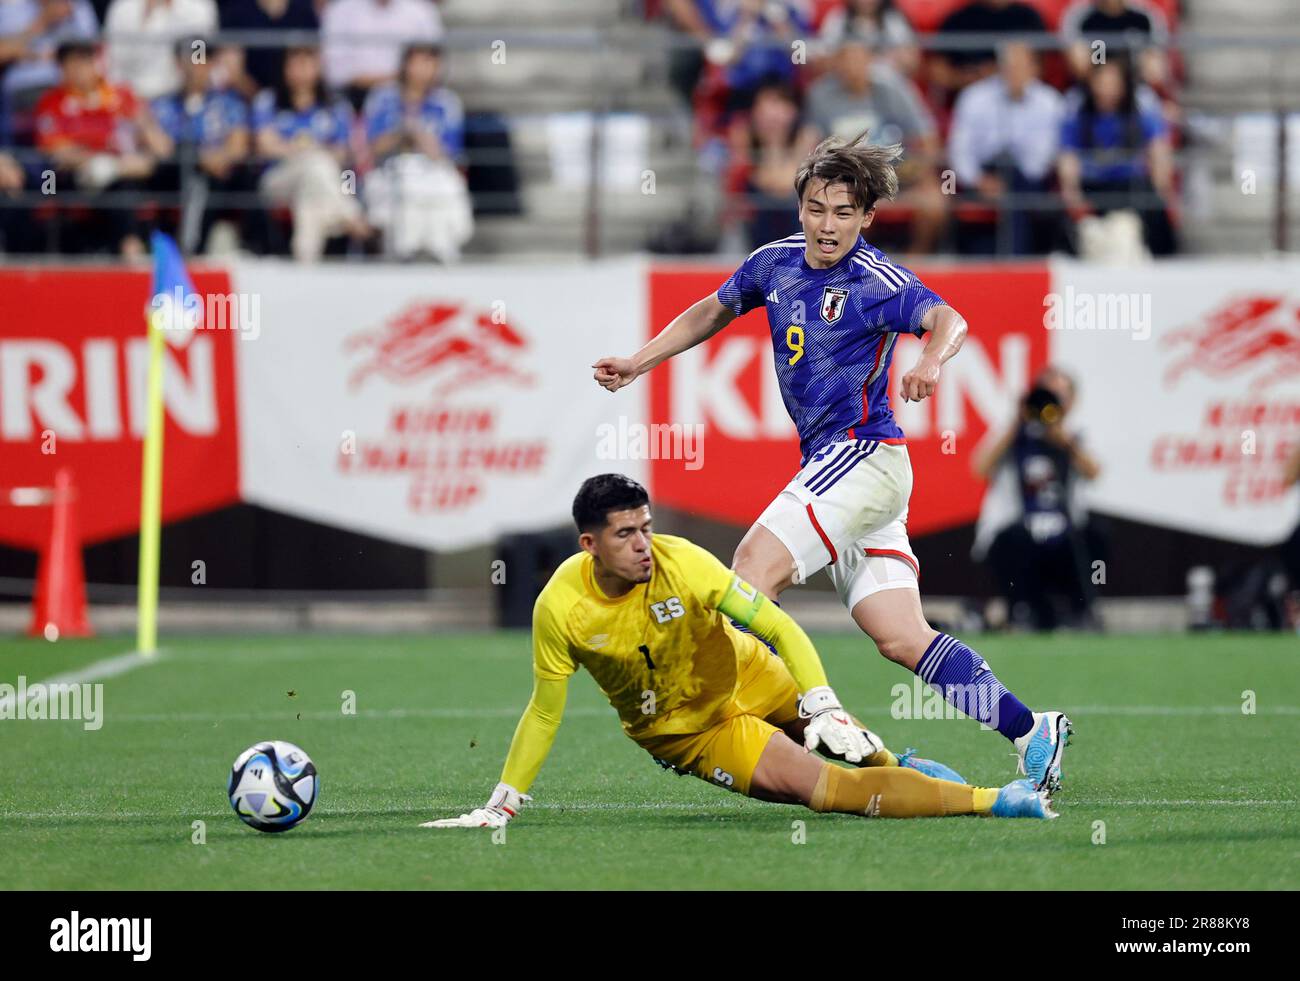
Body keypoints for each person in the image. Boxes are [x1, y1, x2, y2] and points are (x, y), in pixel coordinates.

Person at [593, 133, 1073, 793]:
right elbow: (712, 309)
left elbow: (948, 318)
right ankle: (1031, 730)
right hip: (850, 473)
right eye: (817, 207)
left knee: (750, 571)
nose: (827, 224)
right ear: (800, 207)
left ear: (867, 217)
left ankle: (709, 714)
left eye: (843, 212)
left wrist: (931, 360)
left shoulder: (875, 280)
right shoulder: (774, 264)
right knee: (902, 636)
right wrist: (637, 361)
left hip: (865, 456)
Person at [427, 474, 1055, 829]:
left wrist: (822, 701)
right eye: (626, 535)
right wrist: (501, 803)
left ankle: (901, 763)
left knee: (867, 758)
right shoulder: (559, 607)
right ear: (590, 544)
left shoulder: (686, 562)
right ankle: (997, 801)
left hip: (750, 673)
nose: (645, 544)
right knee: (829, 790)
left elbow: (779, 630)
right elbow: (544, 711)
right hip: (691, 731)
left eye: (646, 527)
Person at [971, 366, 1104, 631]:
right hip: (1017, 531)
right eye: (1047, 394)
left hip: (1063, 533)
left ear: (1072, 402)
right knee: (1016, 539)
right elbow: (980, 468)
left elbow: (1094, 472)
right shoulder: (1012, 432)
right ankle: (1019, 612)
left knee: (1096, 535)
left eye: (1060, 396)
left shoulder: (1075, 434)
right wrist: (1016, 423)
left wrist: (1064, 441)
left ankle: (1080, 611)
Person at [806, 35, 944, 252]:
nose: (853, 68)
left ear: (870, 60)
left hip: (900, 175)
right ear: (836, 63)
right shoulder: (820, 95)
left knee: (934, 203)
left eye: (859, 60)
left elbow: (927, 138)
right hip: (846, 180)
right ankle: (855, 265)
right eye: (846, 61)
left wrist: (923, 172)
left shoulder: (894, 88)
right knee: (847, 206)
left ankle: (916, 261)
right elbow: (810, 143)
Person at [34, 39, 168, 255]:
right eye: (71, 63)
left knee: (127, 185)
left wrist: (144, 134)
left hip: (124, 173)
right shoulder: (52, 102)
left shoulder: (121, 96)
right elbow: (55, 151)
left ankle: (132, 250)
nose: (79, 69)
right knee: (107, 184)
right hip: (73, 177)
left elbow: (160, 146)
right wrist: (96, 161)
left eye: (85, 60)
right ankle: (129, 248)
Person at [251, 41, 368, 262]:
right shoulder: (268, 100)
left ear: (319, 66)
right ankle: (350, 215)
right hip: (277, 179)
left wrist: (303, 150)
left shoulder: (336, 105)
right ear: (284, 68)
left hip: (318, 182)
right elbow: (266, 147)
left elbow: (343, 153)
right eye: (295, 62)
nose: (302, 69)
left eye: (308, 62)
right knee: (317, 165)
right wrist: (310, 151)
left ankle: (305, 261)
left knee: (312, 190)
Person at [947, 40, 1063, 254]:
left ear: (1034, 68)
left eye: (1021, 67)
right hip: (984, 175)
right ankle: (1013, 259)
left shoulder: (1049, 102)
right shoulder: (974, 97)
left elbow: (1045, 158)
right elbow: (959, 151)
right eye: (1009, 67)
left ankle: (1014, 258)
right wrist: (979, 180)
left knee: (1018, 190)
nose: (1014, 73)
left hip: (1028, 179)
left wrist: (1010, 182)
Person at [362, 41, 472, 261]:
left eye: (431, 63)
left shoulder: (447, 103)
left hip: (432, 171)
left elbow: (447, 155)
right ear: (405, 65)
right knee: (408, 182)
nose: (425, 69)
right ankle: (407, 252)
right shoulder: (382, 98)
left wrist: (420, 136)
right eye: (419, 62)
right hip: (389, 171)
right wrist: (402, 133)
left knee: (446, 185)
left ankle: (440, 253)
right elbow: (370, 148)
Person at [1057, 54, 1175, 256]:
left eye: (1113, 83)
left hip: (1130, 184)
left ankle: (1161, 260)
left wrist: (1161, 184)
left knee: (1154, 206)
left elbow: (1158, 146)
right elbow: (1068, 154)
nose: (1106, 89)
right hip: (1093, 185)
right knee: (1058, 215)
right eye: (1101, 82)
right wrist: (1072, 191)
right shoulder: (1077, 107)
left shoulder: (1141, 103)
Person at [145, 37, 251, 253]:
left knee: (225, 181)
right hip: (173, 177)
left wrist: (212, 160)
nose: (196, 67)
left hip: (219, 179)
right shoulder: (162, 105)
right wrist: (201, 158)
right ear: (178, 64)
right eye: (191, 60)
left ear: (212, 64)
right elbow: (160, 148)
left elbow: (238, 149)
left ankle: (197, 248)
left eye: (202, 59)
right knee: (184, 157)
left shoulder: (229, 103)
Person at [724, 79, 819, 250]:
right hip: (751, 231)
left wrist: (777, 142)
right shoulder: (742, 136)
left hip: (795, 229)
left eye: (780, 104)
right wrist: (771, 143)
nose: (773, 115)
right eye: (765, 106)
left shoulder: (806, 137)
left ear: (793, 111)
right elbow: (762, 180)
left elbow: (787, 184)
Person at [321, 0, 443, 109]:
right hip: (351, 98)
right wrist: (398, 76)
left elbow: (433, 66)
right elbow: (335, 73)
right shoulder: (340, 10)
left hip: (408, 98)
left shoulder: (422, 11)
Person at [102, 0, 217, 100]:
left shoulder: (200, 7)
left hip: (181, 97)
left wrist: (173, 8)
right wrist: (145, 19)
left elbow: (201, 56)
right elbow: (116, 64)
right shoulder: (122, 8)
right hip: (134, 98)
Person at [218, 0, 320, 99]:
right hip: (246, 99)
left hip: (291, 101)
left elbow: (312, 60)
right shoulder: (237, 12)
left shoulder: (303, 12)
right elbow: (230, 67)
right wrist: (258, 98)